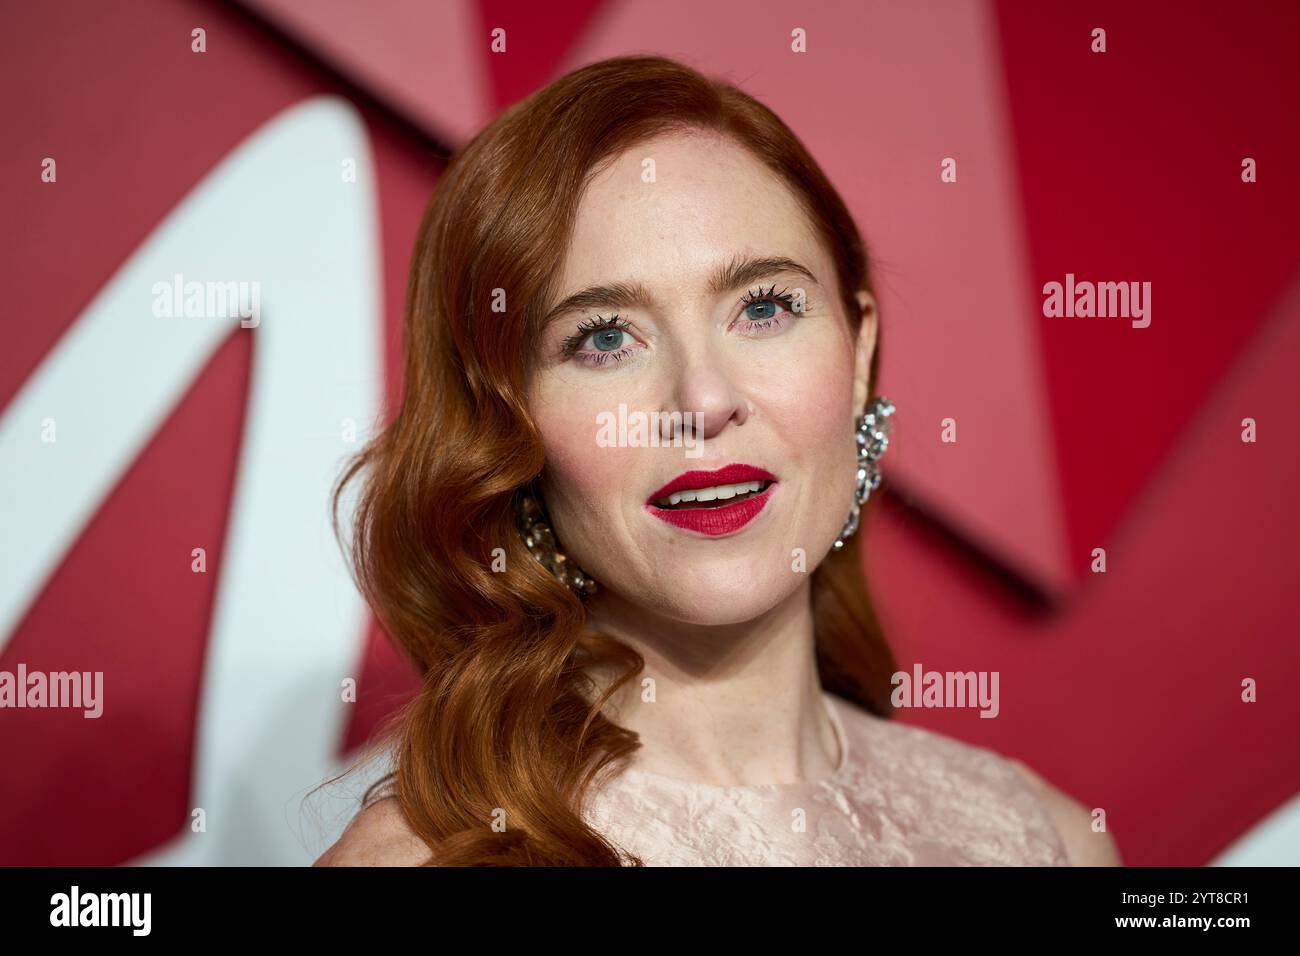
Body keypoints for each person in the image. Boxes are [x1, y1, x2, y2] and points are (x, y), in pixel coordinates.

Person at [314, 55, 1121, 867]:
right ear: (508, 422)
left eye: (764, 308)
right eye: (603, 338)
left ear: (860, 351)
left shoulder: (1044, 838)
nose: (701, 402)